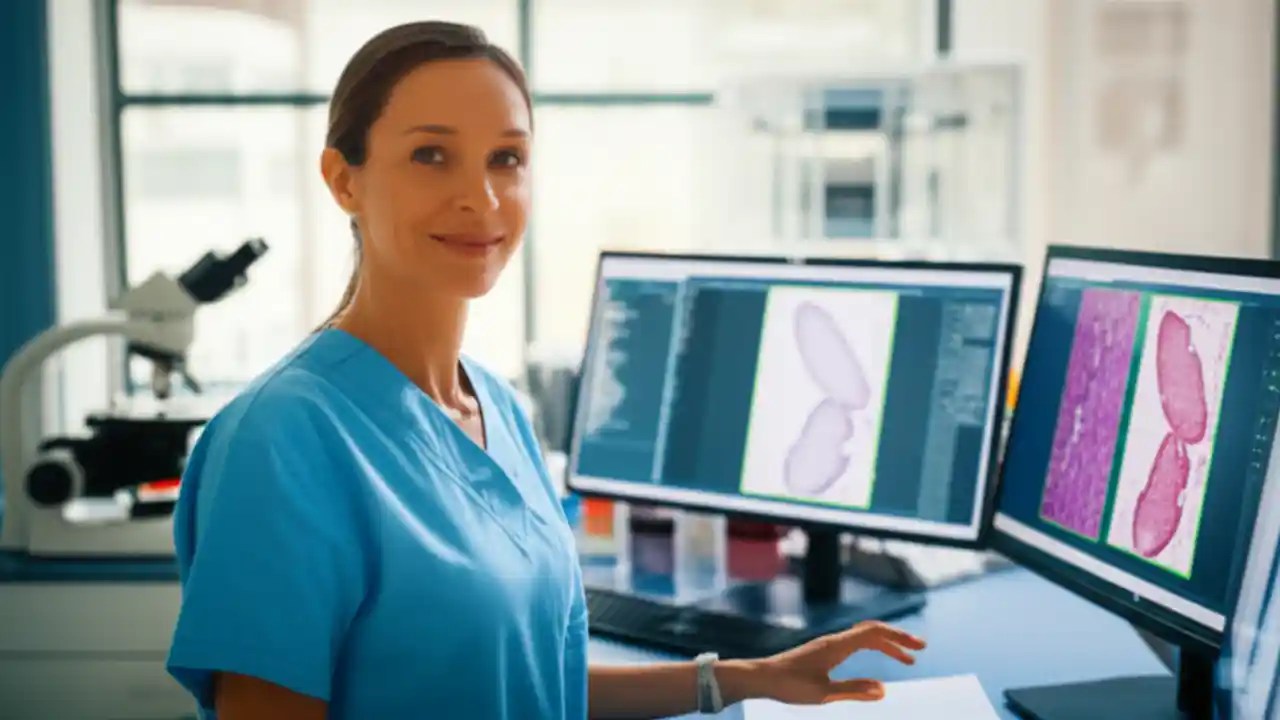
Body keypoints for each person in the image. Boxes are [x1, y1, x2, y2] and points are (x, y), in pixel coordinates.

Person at [164, 21, 926, 720]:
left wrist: (743, 678)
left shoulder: (497, 407)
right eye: (431, 155)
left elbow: (529, 683)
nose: (481, 198)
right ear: (343, 180)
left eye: (507, 158)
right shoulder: (281, 441)